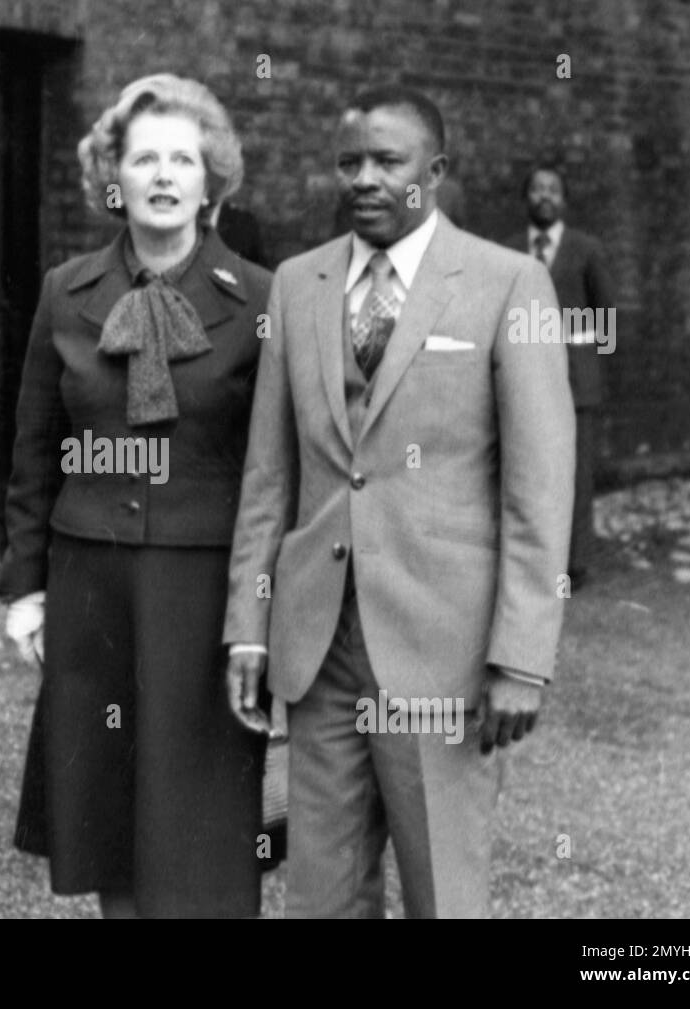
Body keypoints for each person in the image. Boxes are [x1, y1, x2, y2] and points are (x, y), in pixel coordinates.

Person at [224, 86, 575, 918]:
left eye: (389, 161)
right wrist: (249, 621)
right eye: (350, 162)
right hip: (320, 643)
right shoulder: (297, 286)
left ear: (436, 171)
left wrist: (521, 657)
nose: (366, 180)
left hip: (442, 648)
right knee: (320, 893)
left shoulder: (508, 284)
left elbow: (539, 486)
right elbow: (269, 474)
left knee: (442, 894)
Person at [0, 73, 274, 918]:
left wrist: (259, 612)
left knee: (204, 809)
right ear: (111, 175)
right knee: (110, 809)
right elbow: (35, 449)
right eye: (143, 156)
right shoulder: (66, 290)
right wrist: (26, 586)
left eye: (182, 159)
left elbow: (274, 470)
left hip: (202, 587)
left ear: (210, 178)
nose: (162, 175)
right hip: (93, 587)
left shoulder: (263, 298)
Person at [503, 165, 616, 586]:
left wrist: (592, 367)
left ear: (563, 200)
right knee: (528, 471)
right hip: (525, 379)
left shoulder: (586, 249)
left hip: (575, 382)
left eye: (553, 189)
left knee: (576, 472)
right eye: (536, 189)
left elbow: (606, 315)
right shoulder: (511, 250)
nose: (544, 196)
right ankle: (533, 558)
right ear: (526, 198)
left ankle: (575, 561)